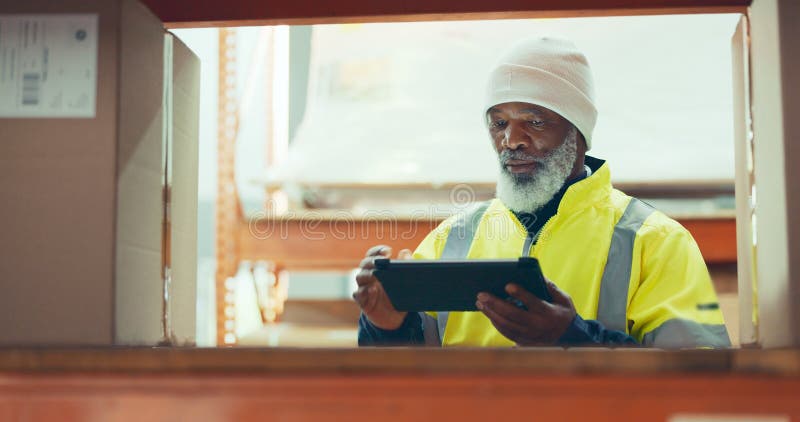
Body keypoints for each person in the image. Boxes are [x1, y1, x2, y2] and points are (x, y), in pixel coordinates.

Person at [353, 36, 731, 348]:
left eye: (534, 121)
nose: (511, 140)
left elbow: (699, 379)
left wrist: (573, 338)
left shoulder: (657, 242)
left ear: (578, 131)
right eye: (498, 123)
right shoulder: (451, 238)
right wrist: (385, 326)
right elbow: (401, 385)